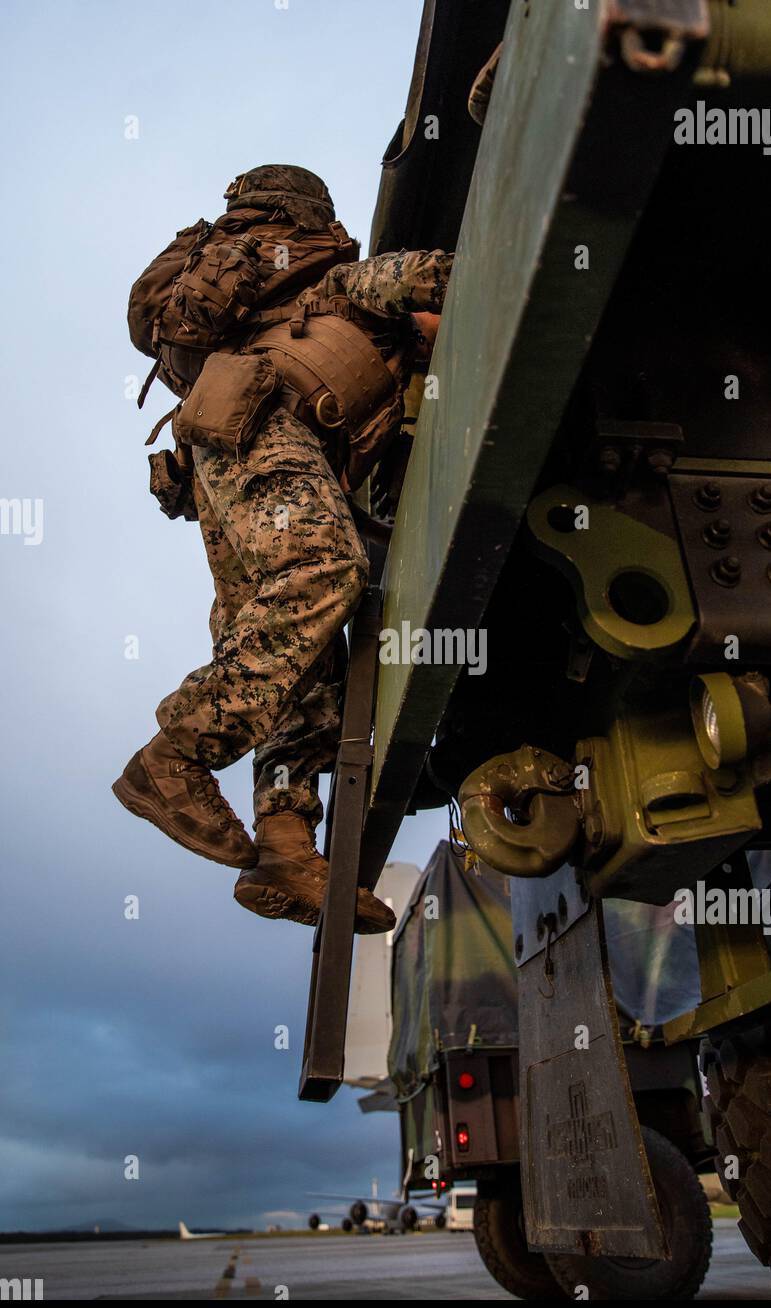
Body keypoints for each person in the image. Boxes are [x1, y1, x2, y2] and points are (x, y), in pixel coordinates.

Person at [114, 164, 452, 932]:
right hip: (265, 427)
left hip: (220, 452)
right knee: (322, 571)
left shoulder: (269, 300)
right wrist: (448, 293)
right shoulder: (338, 284)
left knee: (302, 668)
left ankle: (286, 848)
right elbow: (432, 273)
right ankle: (178, 753)